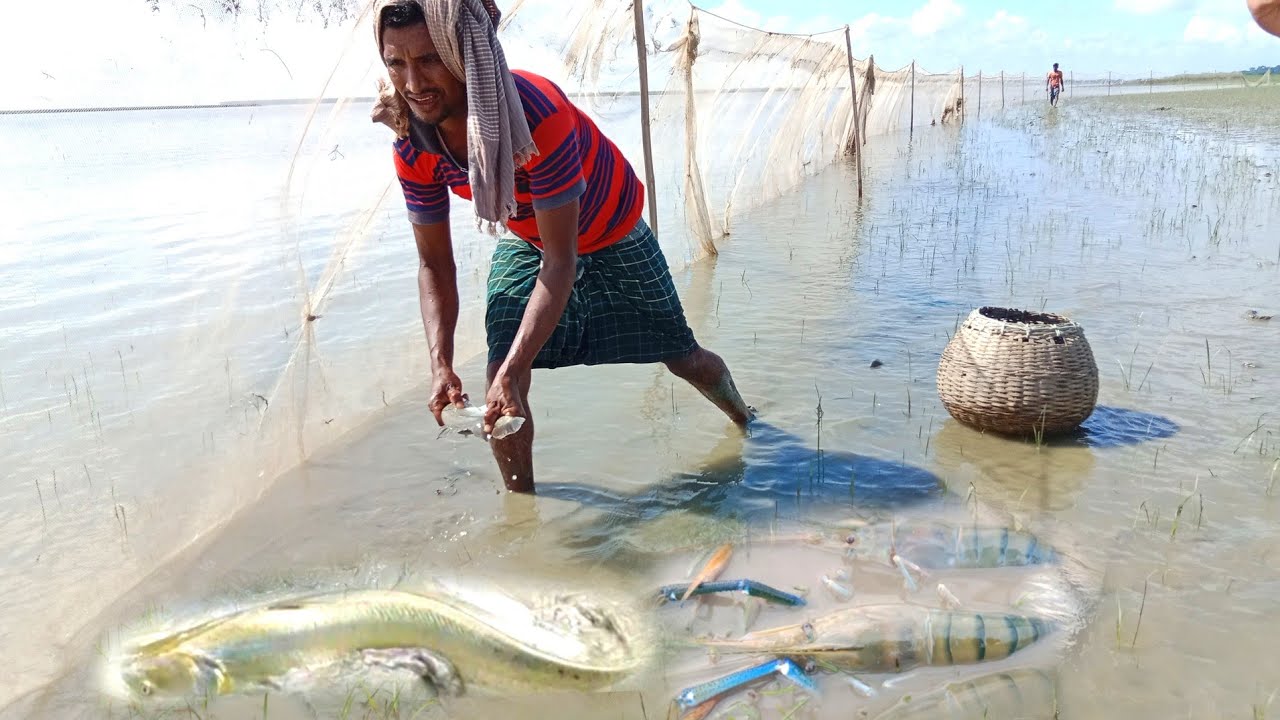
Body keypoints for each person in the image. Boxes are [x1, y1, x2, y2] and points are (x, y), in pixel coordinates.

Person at [369, 0, 755, 494]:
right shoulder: (411, 143)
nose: (413, 84)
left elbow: (562, 259)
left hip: (612, 230)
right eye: (396, 63)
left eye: (428, 60)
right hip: (529, 238)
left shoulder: (535, 113)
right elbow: (434, 263)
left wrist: (517, 365)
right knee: (499, 377)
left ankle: (748, 423)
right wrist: (440, 361)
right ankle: (522, 505)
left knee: (682, 355)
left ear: (463, 53)